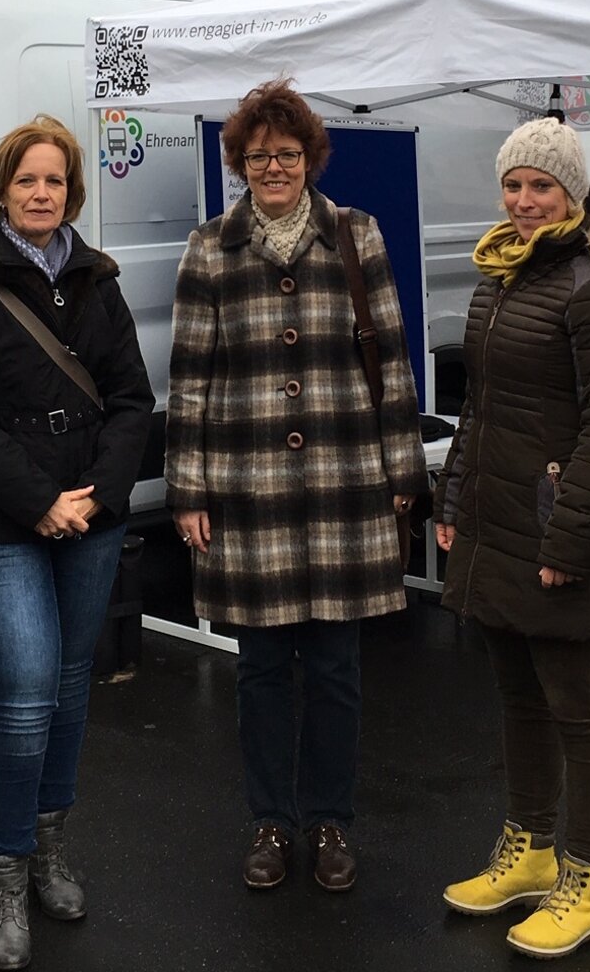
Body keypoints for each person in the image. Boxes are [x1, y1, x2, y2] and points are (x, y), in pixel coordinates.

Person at [167, 79, 427, 893]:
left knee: (340, 669)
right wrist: (189, 489)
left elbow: (391, 362)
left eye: (285, 153)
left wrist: (402, 474)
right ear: (239, 164)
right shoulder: (211, 246)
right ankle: (272, 823)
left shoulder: (357, 234)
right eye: (256, 156)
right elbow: (189, 379)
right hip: (248, 491)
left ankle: (330, 822)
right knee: (262, 671)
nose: (272, 167)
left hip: (346, 482)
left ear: (309, 157)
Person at [0, 116, 153, 970]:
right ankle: (6, 870)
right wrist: (41, 501)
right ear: (0, 189)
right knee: (20, 695)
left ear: (72, 192)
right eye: (28, 181)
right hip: (3, 522)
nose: (42, 194)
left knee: (67, 688)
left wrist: (99, 496)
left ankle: (52, 846)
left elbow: (131, 397)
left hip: (90, 513)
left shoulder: (99, 282)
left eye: (55, 181)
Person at [435, 117, 590, 960]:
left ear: (573, 193)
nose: (525, 200)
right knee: (518, 701)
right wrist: (452, 497)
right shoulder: (502, 275)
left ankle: (589, 882)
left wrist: (566, 542)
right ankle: (530, 852)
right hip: (496, 527)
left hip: (560, 534)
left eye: (541, 186)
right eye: (514, 184)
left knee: (579, 711)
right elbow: (482, 407)